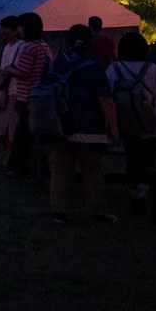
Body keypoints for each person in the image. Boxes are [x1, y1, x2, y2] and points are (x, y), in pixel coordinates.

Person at [43, 25, 118, 225]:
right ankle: (95, 209)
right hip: (91, 127)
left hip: (60, 126)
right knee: (92, 171)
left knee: (60, 171)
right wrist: (112, 126)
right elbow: (105, 100)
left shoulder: (57, 64)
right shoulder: (94, 66)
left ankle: (59, 210)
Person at [108, 32, 156, 199]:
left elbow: (107, 96)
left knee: (132, 155)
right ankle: (146, 189)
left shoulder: (114, 68)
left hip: (126, 120)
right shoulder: (152, 68)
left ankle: (134, 187)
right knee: (149, 157)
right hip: (151, 120)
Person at [4, 12, 51, 177]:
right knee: (34, 134)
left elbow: (23, 72)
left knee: (22, 133)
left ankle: (19, 167)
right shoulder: (44, 46)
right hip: (41, 96)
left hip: (25, 95)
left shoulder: (27, 47)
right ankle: (35, 167)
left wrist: (9, 69)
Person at [0, 15, 23, 146]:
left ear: (15, 30)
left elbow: (17, 69)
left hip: (16, 89)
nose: (3, 34)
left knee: (12, 121)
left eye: (6, 31)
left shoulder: (21, 46)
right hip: (5, 88)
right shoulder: (7, 47)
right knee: (5, 119)